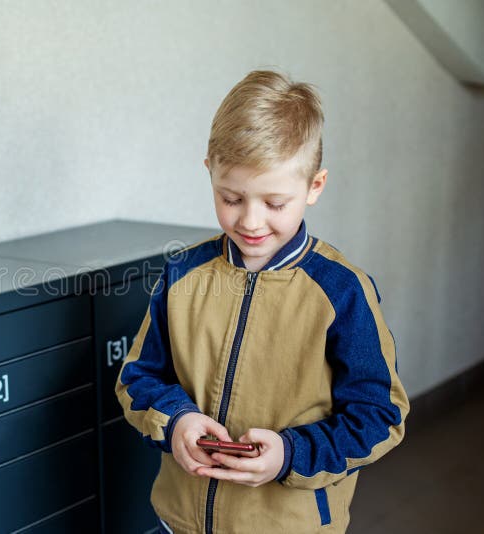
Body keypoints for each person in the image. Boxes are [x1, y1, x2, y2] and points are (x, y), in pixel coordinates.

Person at [115, 70, 409, 534]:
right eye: (231, 198)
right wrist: (178, 422)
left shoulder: (342, 291)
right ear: (209, 169)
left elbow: (380, 417)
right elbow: (138, 379)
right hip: (180, 521)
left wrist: (289, 455)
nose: (251, 221)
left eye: (275, 203)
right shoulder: (182, 274)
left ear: (315, 186)